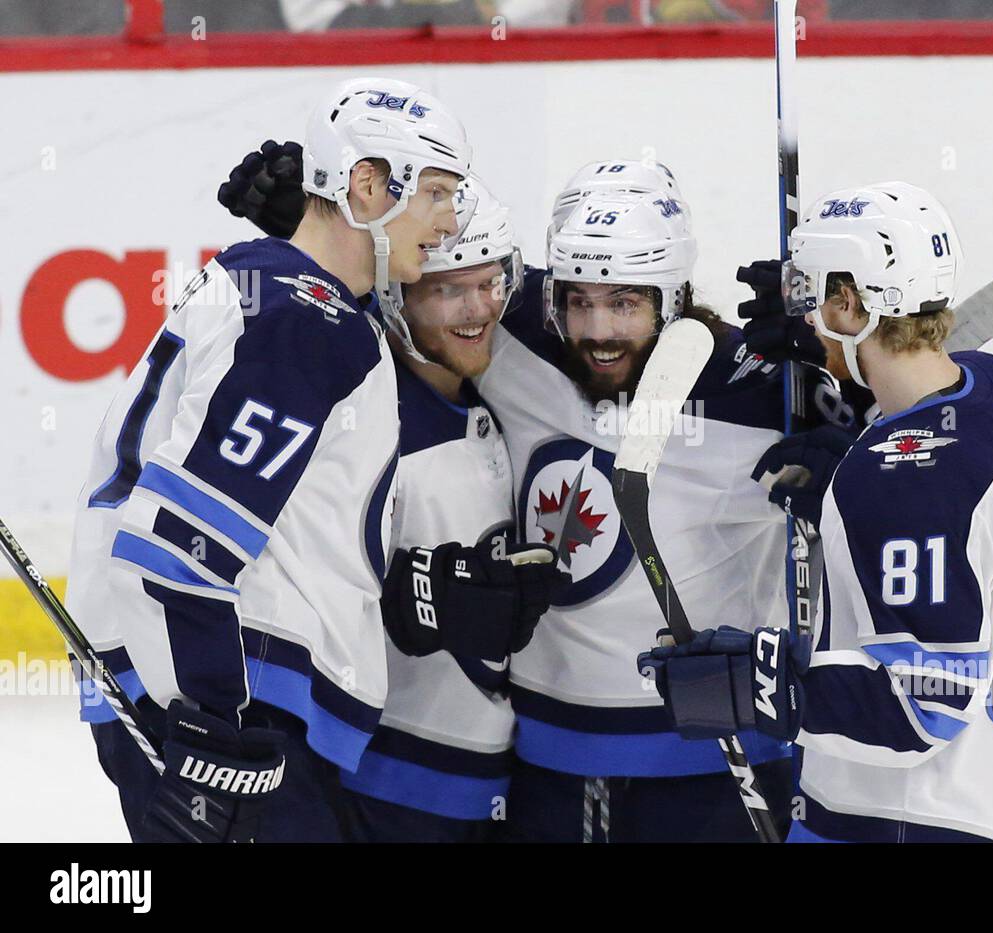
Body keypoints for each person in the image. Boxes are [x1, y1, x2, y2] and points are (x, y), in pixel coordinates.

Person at [218, 151, 802, 842]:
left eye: (626, 303)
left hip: (717, 769)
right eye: (578, 299)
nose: (598, 331)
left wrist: (835, 360)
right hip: (540, 773)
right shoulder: (510, 328)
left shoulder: (764, 390)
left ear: (672, 295)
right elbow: (420, 285)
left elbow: (900, 443)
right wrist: (324, 226)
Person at [66, 76, 490, 843]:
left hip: (206, 692)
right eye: (436, 192)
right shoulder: (307, 319)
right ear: (368, 185)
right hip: (230, 709)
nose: (450, 219)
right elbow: (181, 545)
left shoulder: (279, 286)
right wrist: (213, 728)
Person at [640, 182, 993, 843]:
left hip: (911, 821)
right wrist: (860, 470)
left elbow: (922, 708)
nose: (801, 313)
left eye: (809, 293)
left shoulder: (898, 480)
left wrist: (758, 682)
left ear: (848, 303)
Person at [342, 178, 568, 842]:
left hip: (491, 781)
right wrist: (412, 598)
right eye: (446, 290)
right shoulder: (365, 425)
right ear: (394, 296)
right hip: (385, 787)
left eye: (491, 283)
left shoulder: (493, 398)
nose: (479, 310)